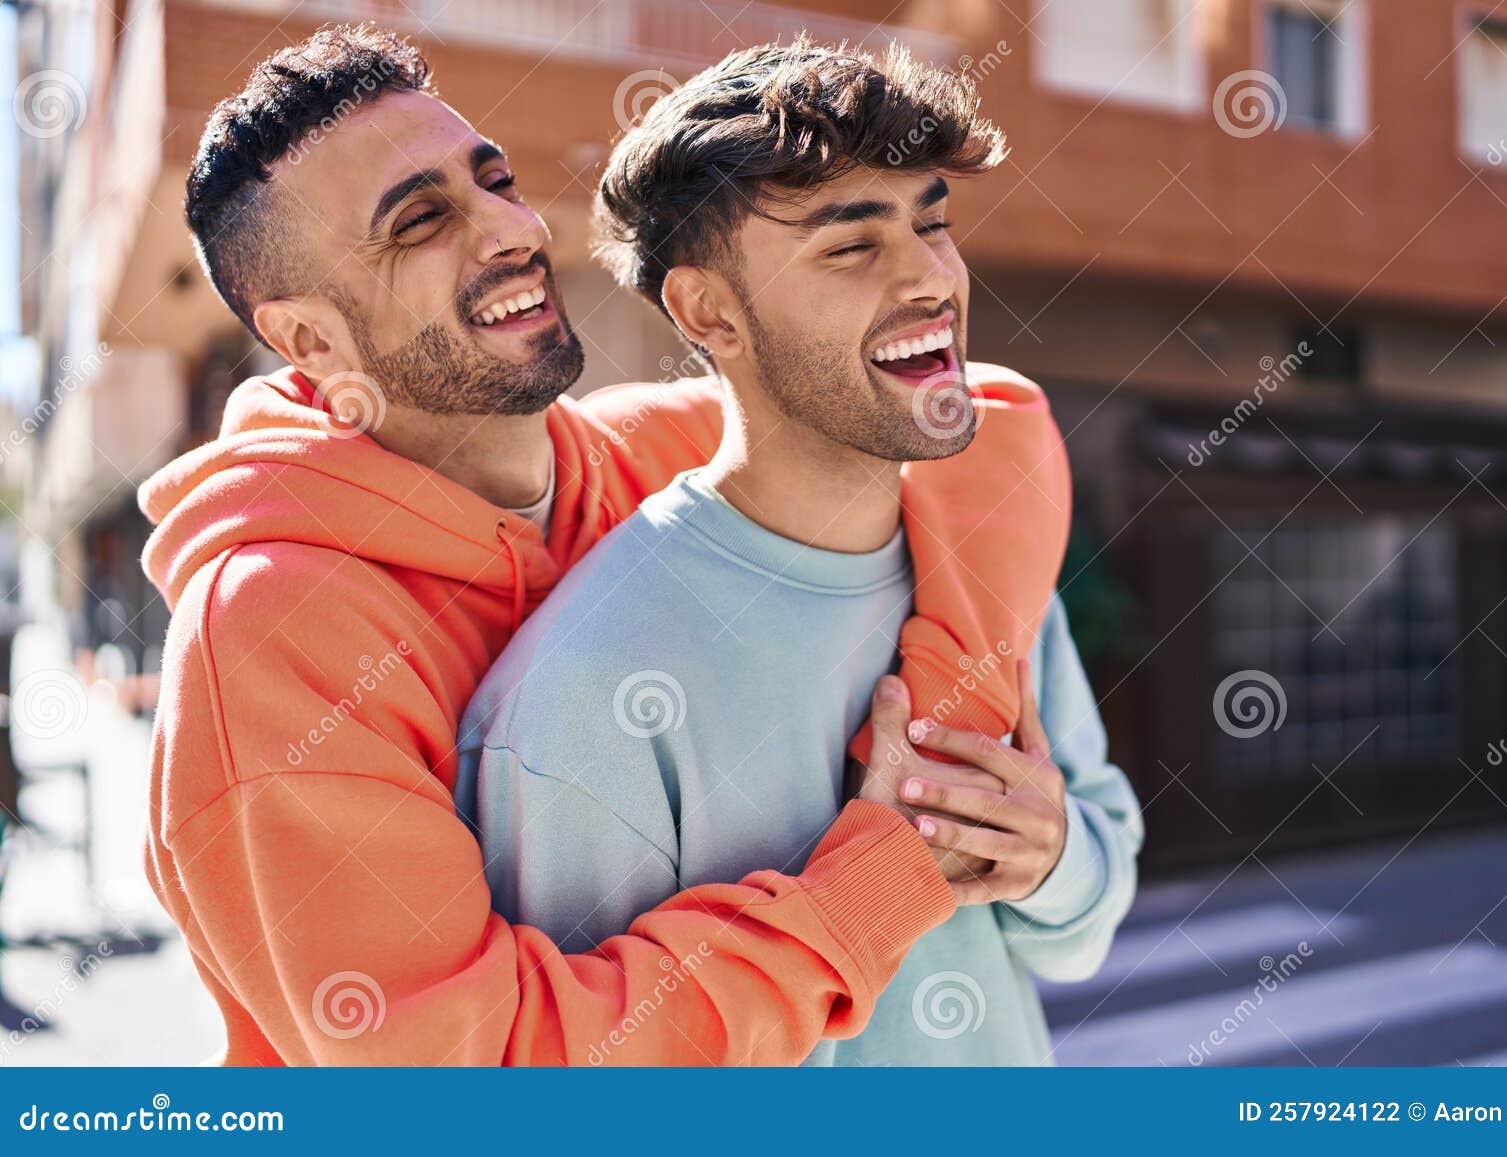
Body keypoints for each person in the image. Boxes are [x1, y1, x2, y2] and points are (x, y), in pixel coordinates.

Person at [139, 24, 1070, 1065]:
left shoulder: (630, 456)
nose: (507, 227)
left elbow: (984, 423)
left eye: (493, 178)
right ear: (312, 342)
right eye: (421, 220)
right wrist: (881, 874)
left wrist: (948, 744)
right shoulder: (268, 638)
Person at [459, 40, 1143, 1066]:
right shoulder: (583, 692)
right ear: (707, 311)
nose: (931, 278)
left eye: (931, 221)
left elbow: (1087, 919)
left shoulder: (979, 562)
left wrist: (1051, 858)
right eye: (851, 245)